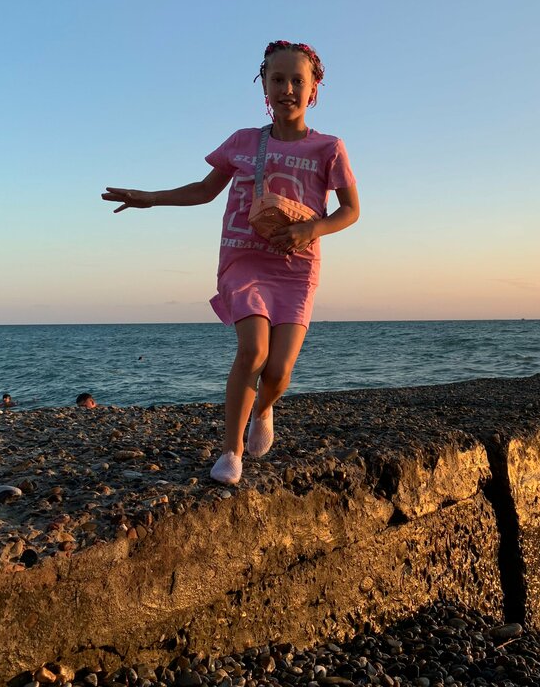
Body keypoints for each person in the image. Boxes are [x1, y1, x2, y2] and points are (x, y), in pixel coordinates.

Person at [102, 41, 360, 485]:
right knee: (253, 350)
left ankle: (263, 409)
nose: (287, 89)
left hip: (295, 268)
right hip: (243, 260)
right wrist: (152, 199)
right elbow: (204, 190)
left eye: (298, 80)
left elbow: (350, 210)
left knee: (278, 371)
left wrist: (311, 229)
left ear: (314, 88)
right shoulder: (243, 142)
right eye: (277, 79)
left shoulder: (329, 148)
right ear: (264, 83)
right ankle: (231, 451)